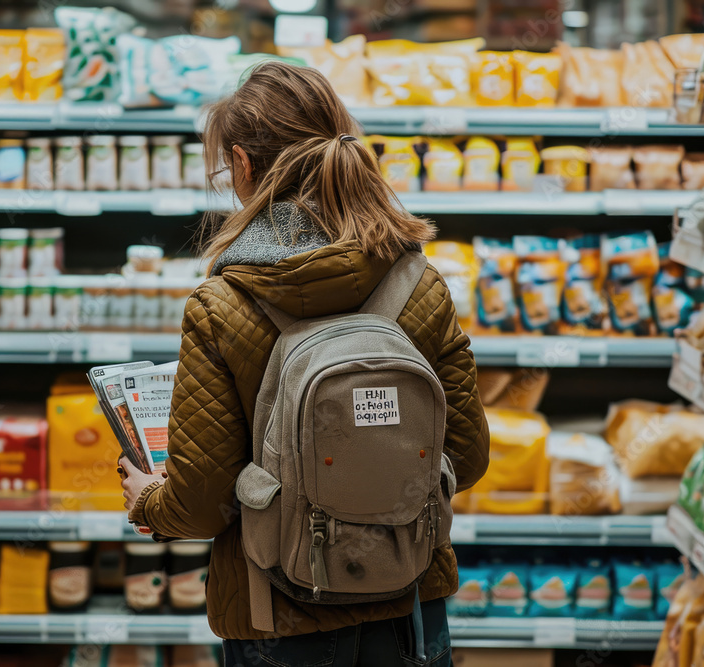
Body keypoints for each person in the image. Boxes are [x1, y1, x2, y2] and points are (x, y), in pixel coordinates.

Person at [119, 61, 489, 666]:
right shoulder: (420, 283)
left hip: (279, 617)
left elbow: (201, 502)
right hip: (409, 612)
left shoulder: (222, 304)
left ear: (241, 165)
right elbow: (466, 460)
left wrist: (147, 499)